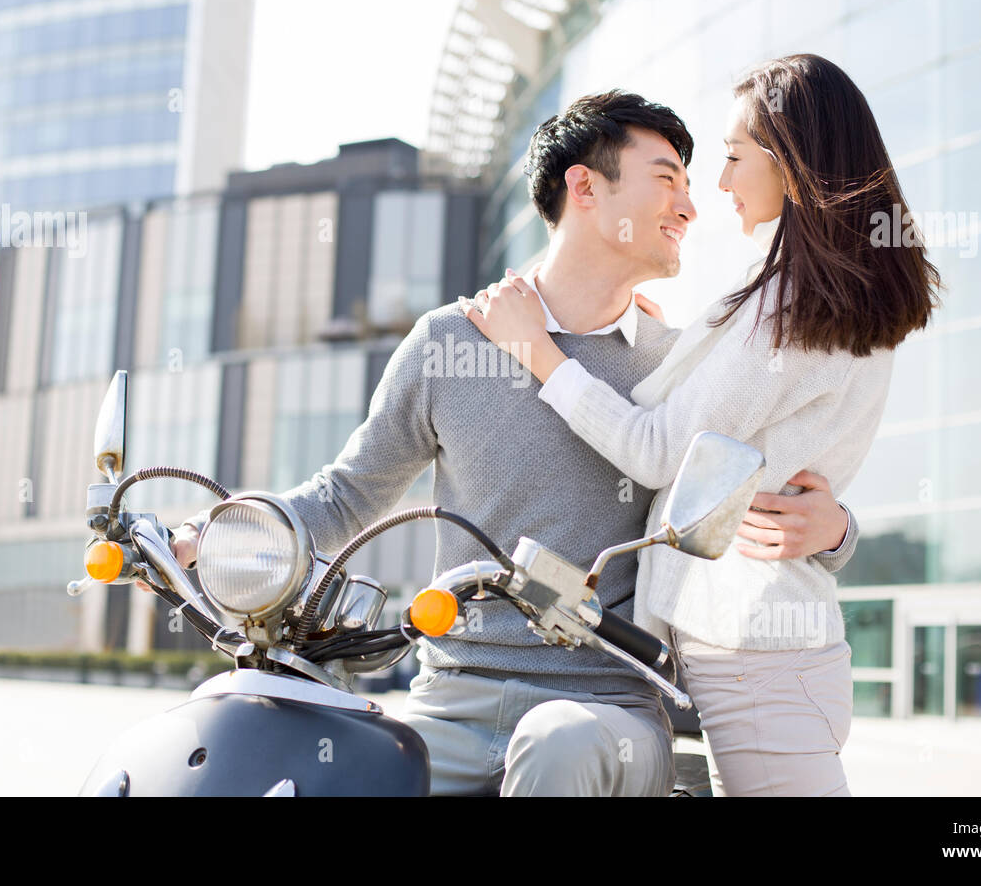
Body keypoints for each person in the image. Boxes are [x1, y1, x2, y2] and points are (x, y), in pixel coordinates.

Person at [171, 89, 861, 796]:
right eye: (666, 179)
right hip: (450, 702)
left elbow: (762, 488)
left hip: (607, 714)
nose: (690, 206)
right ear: (585, 187)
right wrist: (212, 530)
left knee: (556, 743)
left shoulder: (676, 363)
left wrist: (837, 532)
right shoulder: (448, 343)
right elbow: (346, 496)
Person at [465, 56, 941, 796]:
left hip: (754, 651)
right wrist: (681, 356)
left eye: (732, 155)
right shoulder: (837, 296)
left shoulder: (789, 305)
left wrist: (538, 350)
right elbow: (763, 439)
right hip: (774, 643)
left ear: (791, 160)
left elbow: (660, 453)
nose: (717, 184)